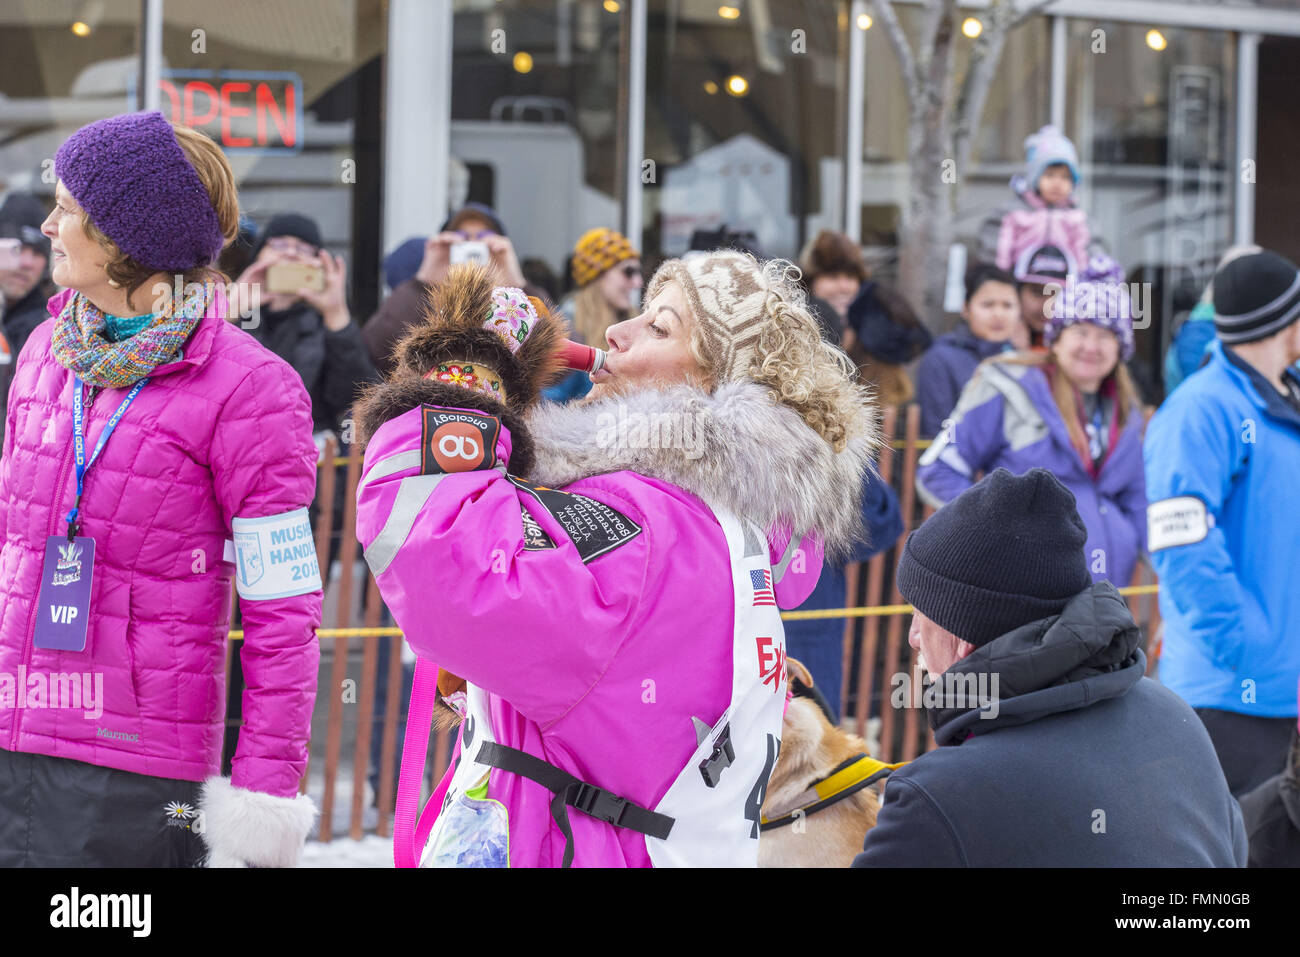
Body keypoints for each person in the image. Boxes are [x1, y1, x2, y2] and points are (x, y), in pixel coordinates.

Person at [354, 252, 877, 867]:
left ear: (718, 386)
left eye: (659, 328)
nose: (615, 334)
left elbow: (448, 566)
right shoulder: (716, 521)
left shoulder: (647, 520)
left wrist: (468, 380)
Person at [0, 111, 321, 867]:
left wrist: (266, 789)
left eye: (69, 210)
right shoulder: (46, 350)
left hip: (134, 771)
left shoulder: (253, 387)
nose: (47, 225)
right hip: (12, 727)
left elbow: (284, 607)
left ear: (124, 239)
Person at [852, 468, 1246, 867]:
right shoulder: (1175, 718)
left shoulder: (939, 797)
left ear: (963, 637)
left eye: (921, 615)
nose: (913, 636)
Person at [1143, 249, 1300, 797]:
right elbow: (1182, 545)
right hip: (1232, 697)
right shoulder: (1200, 410)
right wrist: (1248, 652)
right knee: (1232, 867)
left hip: (1285, 692)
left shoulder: (1286, 398)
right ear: (1285, 321)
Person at [917, 256, 1146, 588]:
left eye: (1106, 335)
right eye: (1080, 331)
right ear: (1057, 338)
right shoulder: (1010, 390)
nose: (1091, 347)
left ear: (1120, 346)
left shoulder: (1127, 414)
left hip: (1106, 604)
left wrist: (1176, 578)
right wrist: (1001, 533)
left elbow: (1139, 501)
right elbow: (937, 471)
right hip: (1026, 601)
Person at [234, 213, 378, 442]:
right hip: (241, 442)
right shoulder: (239, 311)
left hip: (310, 453)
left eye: (303, 248)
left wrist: (336, 315)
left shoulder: (324, 320)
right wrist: (229, 311)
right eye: (278, 244)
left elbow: (358, 396)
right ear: (258, 255)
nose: (290, 253)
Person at [362, 204, 534, 378]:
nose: (472, 248)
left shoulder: (511, 301)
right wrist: (423, 282)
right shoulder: (427, 301)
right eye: (461, 238)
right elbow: (378, 348)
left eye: (485, 239)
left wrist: (516, 283)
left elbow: (554, 357)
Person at [784, 471, 902, 722]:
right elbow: (880, 519)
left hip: (799, 614)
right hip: (805, 612)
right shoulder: (826, 445)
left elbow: (879, 520)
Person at [979, 125, 1101, 281]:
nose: (1057, 184)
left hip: (1065, 291)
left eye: (1065, 177)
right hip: (1021, 286)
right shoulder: (1014, 214)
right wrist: (1002, 281)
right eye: (1049, 176)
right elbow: (999, 252)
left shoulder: (1078, 219)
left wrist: (1088, 282)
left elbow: (1087, 254)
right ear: (1034, 178)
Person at [915, 263, 1021, 437]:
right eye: (988, 305)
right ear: (966, 309)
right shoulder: (941, 359)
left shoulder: (1021, 361)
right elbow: (940, 432)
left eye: (1007, 305)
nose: (998, 314)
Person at [542, 227, 643, 404]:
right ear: (598, 273)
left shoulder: (636, 322)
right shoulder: (565, 327)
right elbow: (546, 404)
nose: (637, 282)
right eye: (628, 271)